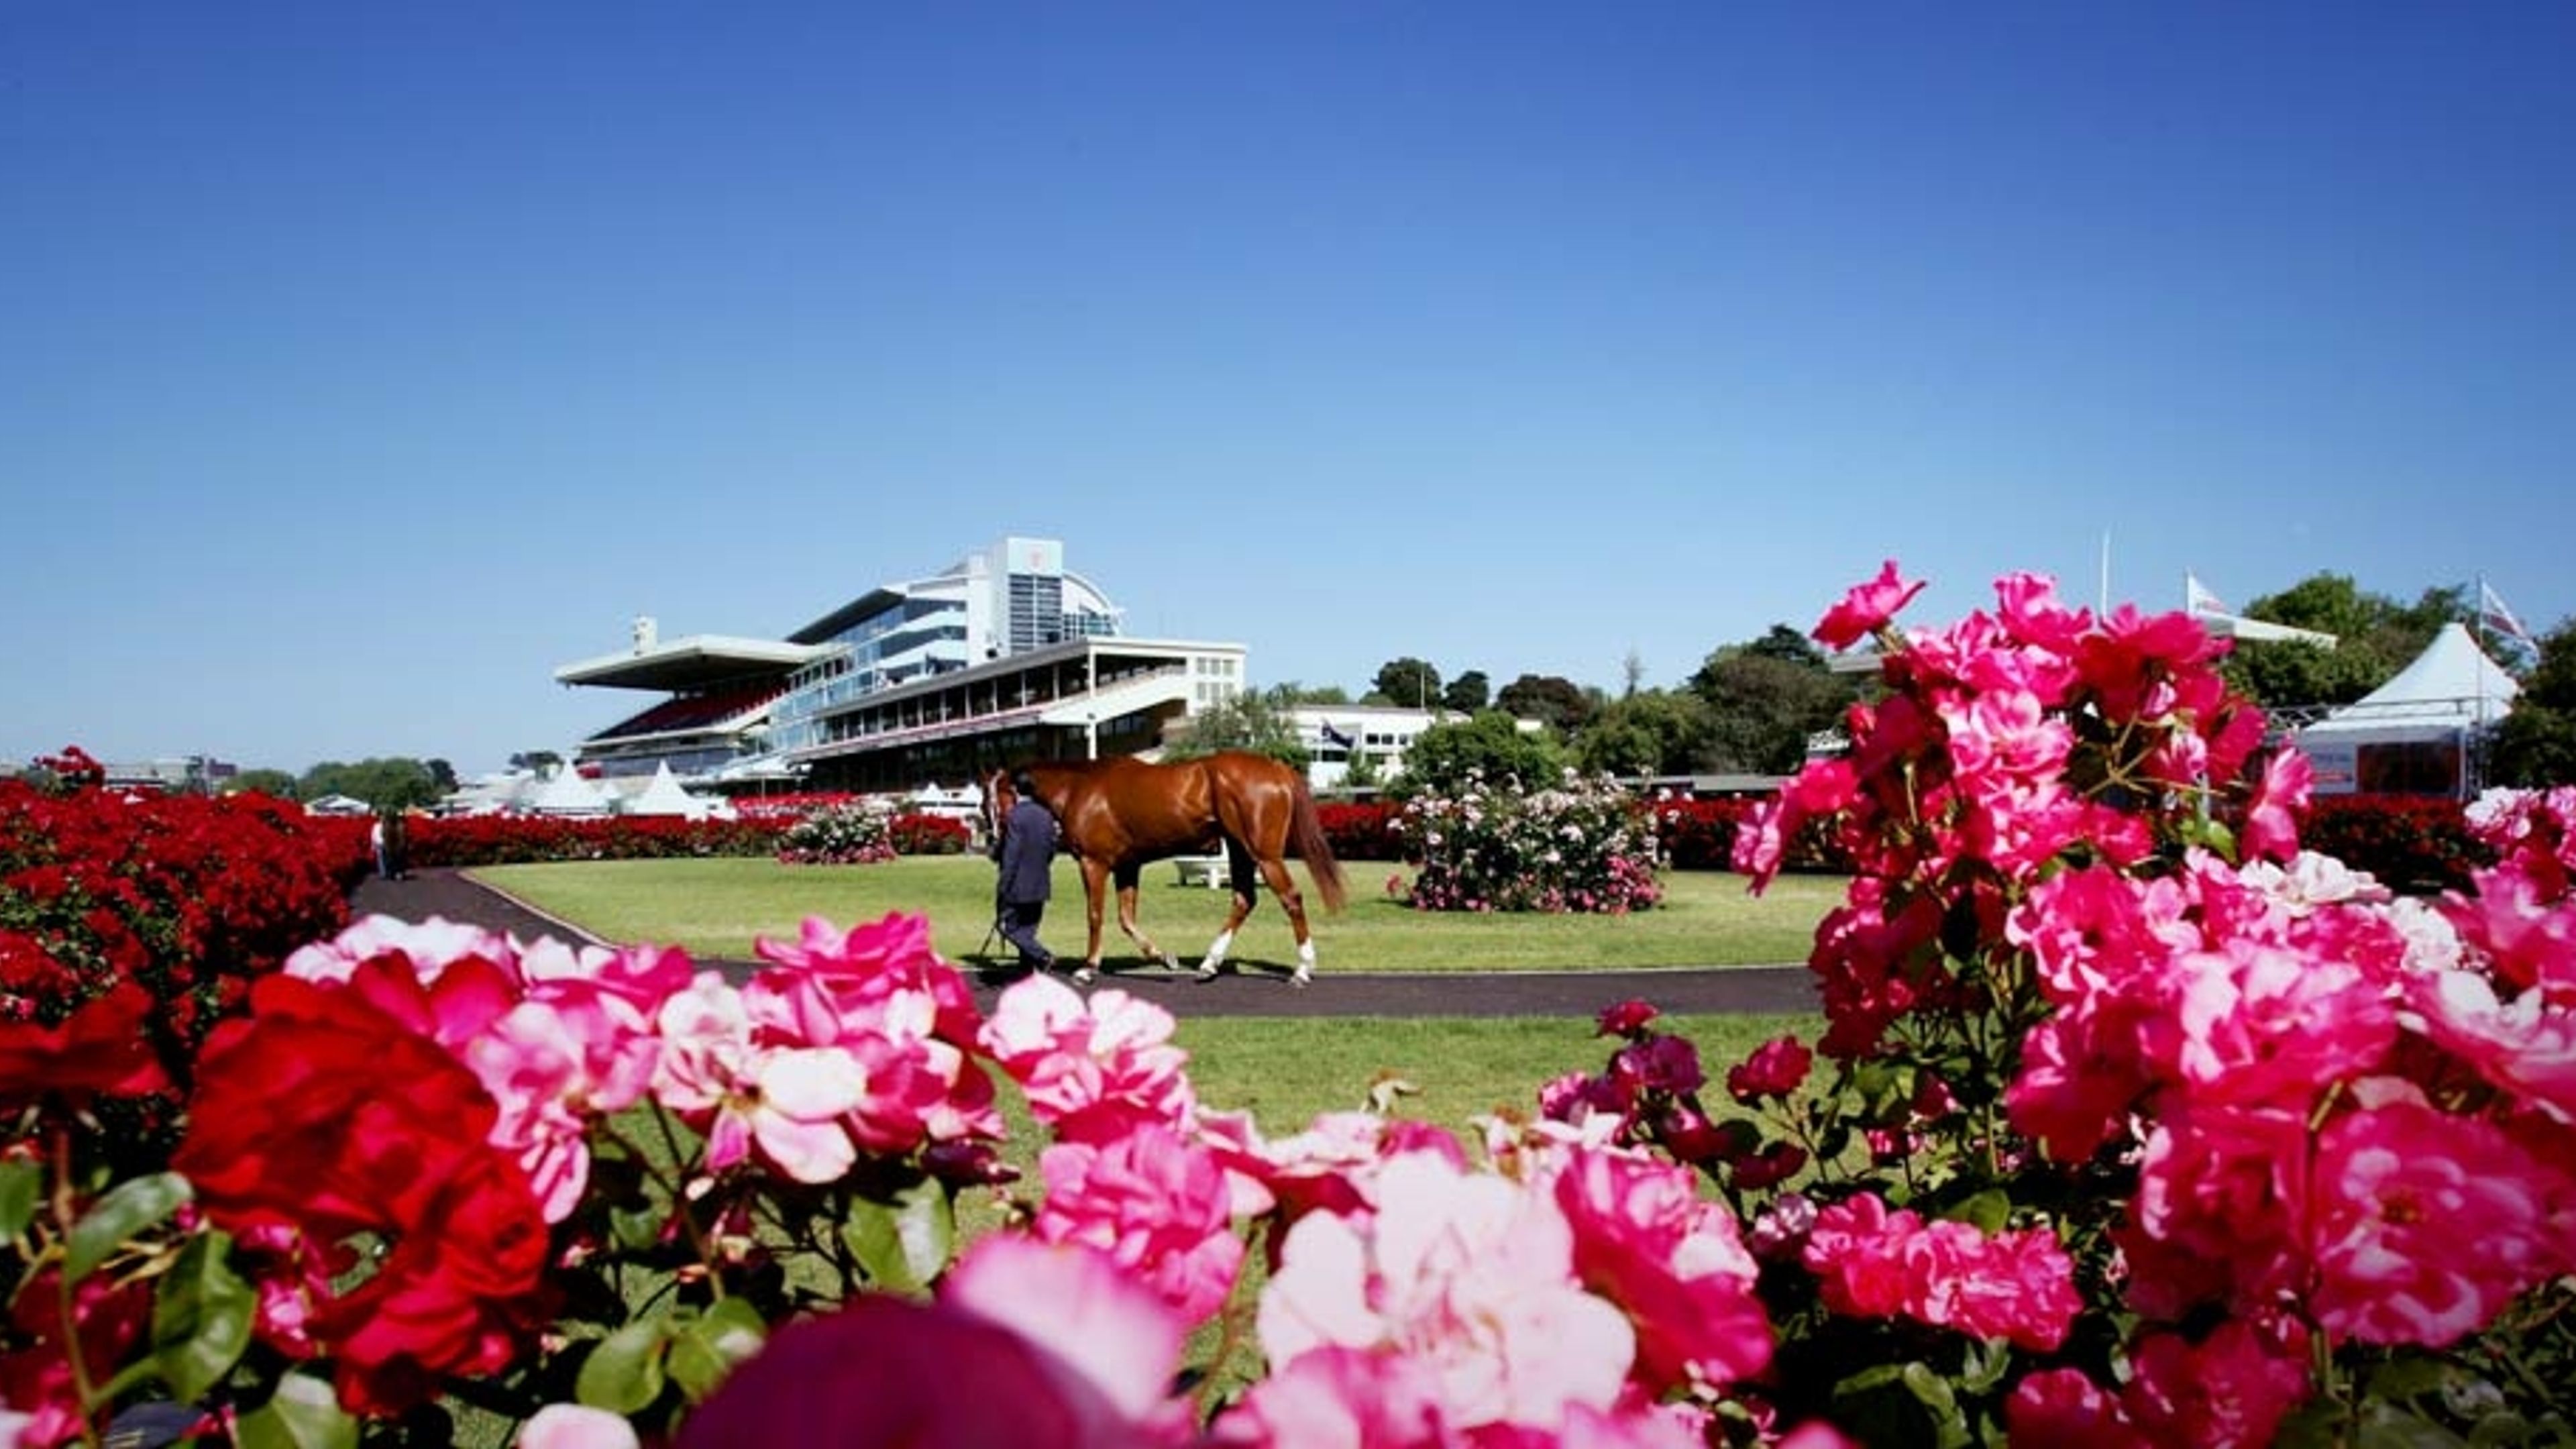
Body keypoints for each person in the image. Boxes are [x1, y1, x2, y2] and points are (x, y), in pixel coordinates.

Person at [989, 769, 1059, 975]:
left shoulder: (1015, 816)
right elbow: (1051, 850)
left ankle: (1043, 956)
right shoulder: (1046, 815)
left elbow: (1011, 855)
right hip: (1040, 881)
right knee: (1027, 931)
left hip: (1018, 884)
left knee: (1008, 927)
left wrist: (1003, 884)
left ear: (1014, 790)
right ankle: (1026, 972)